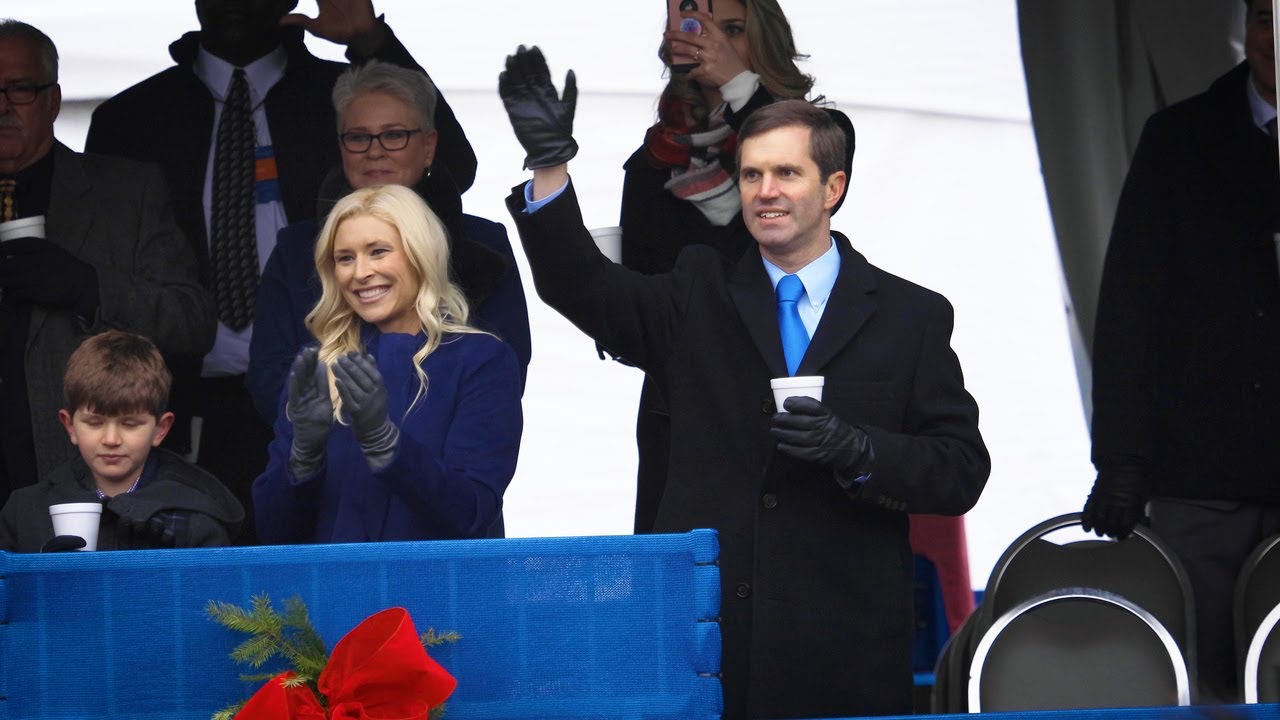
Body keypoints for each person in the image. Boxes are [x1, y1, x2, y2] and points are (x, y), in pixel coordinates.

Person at [500, 47, 989, 719]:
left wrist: (859, 450)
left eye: (787, 172)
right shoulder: (698, 289)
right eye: (752, 173)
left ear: (833, 189)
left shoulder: (911, 316)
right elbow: (581, 285)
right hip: (710, 644)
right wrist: (550, 166)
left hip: (841, 654)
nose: (765, 191)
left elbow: (961, 471)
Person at [83, 0, 476, 543]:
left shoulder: (341, 97)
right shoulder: (132, 116)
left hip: (348, 412)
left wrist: (369, 42)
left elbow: (450, 163)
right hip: (176, 412)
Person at [1083, 0, 1280, 702]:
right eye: (1261, 16)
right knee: (1212, 679)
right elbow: (1131, 314)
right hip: (1202, 474)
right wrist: (1122, 462)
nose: (1272, 34)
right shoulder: (1180, 138)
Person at [621, 0, 855, 535]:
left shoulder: (823, 130)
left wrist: (740, 85)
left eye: (732, 31)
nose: (716, 45)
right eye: (698, 31)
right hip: (684, 404)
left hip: (788, 384)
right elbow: (644, 286)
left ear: (764, 41)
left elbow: (800, 178)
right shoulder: (656, 159)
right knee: (683, 575)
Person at [247, 60, 531, 431]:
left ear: (428, 147)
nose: (375, 151)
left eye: (394, 135)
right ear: (341, 146)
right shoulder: (297, 246)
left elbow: (505, 374)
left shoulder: (484, 243)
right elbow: (269, 376)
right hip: (321, 460)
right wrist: (341, 441)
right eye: (359, 137)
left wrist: (399, 447)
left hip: (446, 464)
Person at [0, 20, 214, 508]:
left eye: (20, 90)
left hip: (80, 487)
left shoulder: (127, 192)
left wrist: (89, 287)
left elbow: (193, 321)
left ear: (53, 101)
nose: (2, 106)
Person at [253, 185, 522, 544]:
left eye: (378, 252)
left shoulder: (480, 361)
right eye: (345, 258)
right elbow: (273, 534)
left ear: (420, 254)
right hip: (333, 594)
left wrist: (387, 445)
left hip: (435, 594)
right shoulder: (319, 368)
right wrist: (303, 459)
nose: (360, 272)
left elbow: (471, 512)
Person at [0, 331, 243, 552]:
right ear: (70, 425)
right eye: (95, 423)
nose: (111, 439)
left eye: (130, 424)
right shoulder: (25, 514)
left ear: (160, 429)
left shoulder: (195, 520)